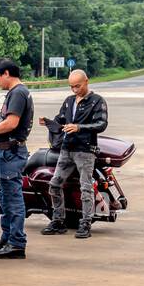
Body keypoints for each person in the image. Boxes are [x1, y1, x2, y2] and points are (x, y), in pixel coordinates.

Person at [39, 69, 108, 239]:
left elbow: (101, 124)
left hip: (85, 150)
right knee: (54, 184)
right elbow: (61, 120)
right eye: (71, 87)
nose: (74, 90)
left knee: (85, 187)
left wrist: (79, 127)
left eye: (77, 86)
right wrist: (49, 122)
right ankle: (58, 220)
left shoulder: (97, 101)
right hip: (66, 148)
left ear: (86, 81)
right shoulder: (69, 101)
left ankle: (85, 223)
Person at [0, 58, 34, 259]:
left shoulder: (18, 93)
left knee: (13, 199)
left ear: (6, 74)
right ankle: (7, 237)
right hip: (6, 151)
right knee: (4, 197)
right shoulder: (15, 93)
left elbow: (11, 123)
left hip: (12, 152)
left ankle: (17, 243)